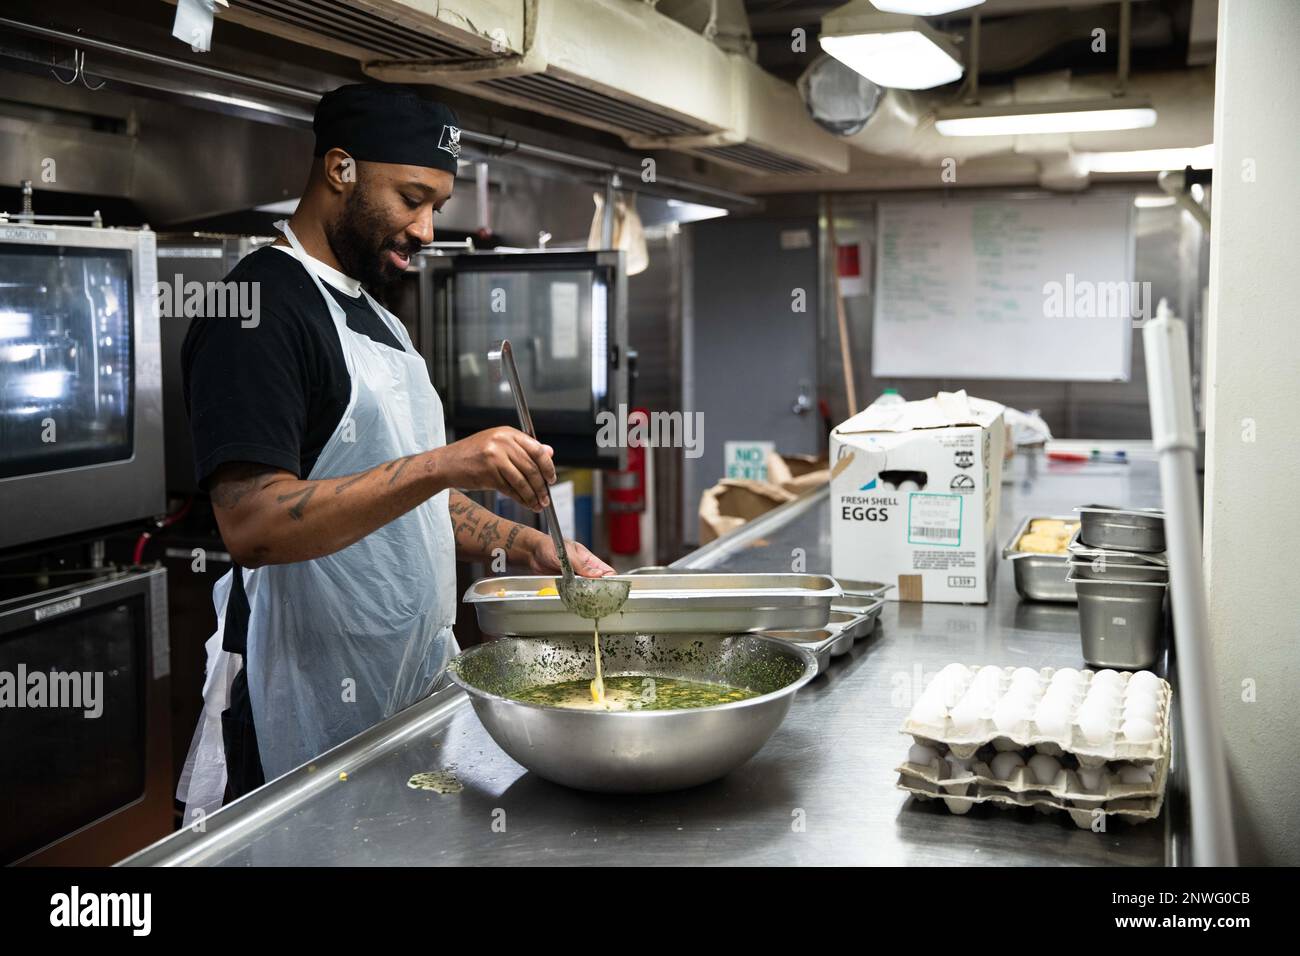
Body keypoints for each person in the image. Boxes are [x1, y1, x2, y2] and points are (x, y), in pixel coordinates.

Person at [176, 83, 613, 818]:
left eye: (437, 206)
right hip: (300, 701)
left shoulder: (380, 319)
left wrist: (528, 546)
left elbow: (414, 503)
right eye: (412, 198)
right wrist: (448, 459)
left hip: (406, 684)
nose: (426, 229)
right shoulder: (258, 310)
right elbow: (252, 524)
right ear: (340, 170)